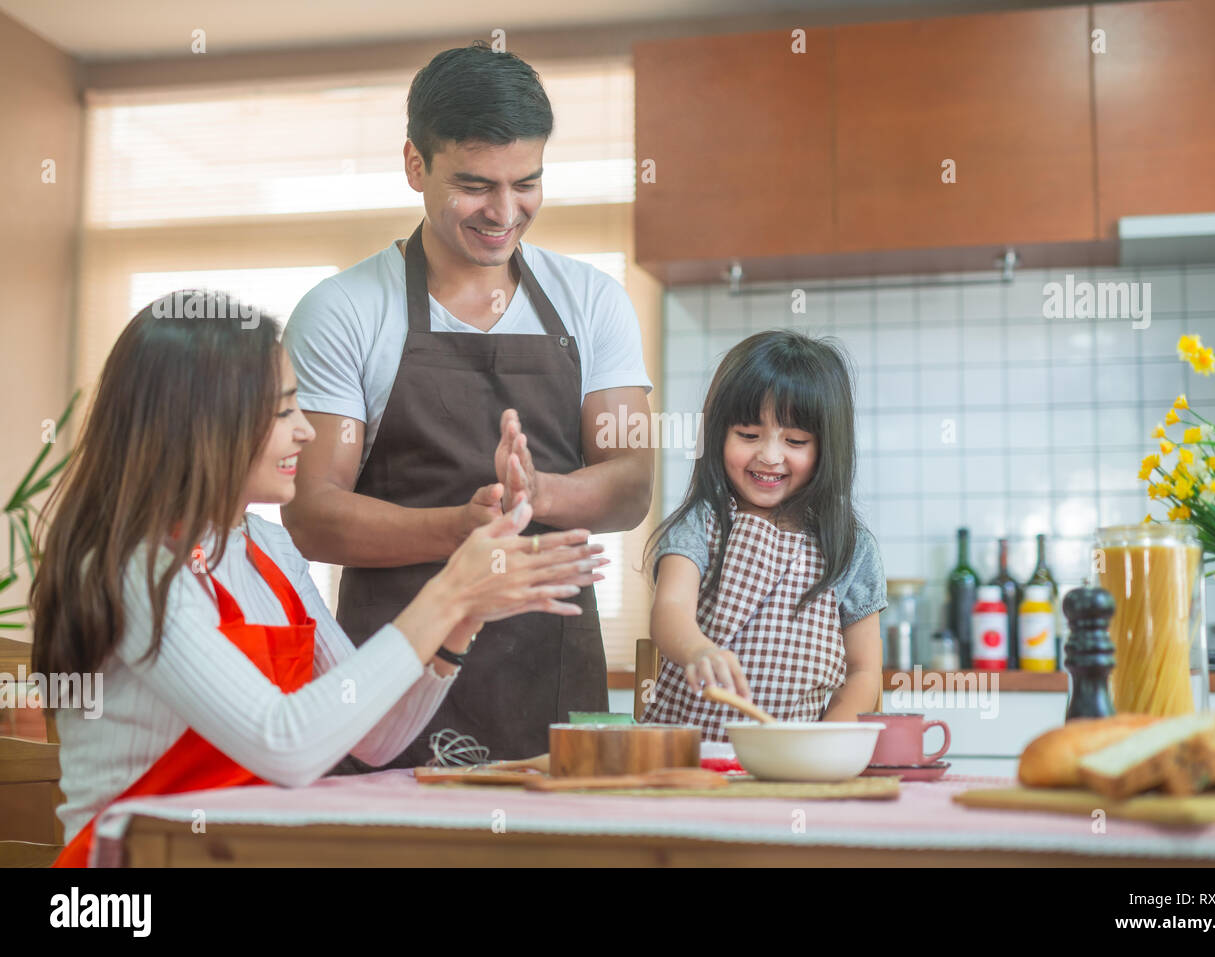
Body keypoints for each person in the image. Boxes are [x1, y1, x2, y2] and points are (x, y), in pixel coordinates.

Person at [31, 291, 605, 867]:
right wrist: (448, 589)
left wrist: (463, 620)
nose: (306, 432)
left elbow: (376, 740)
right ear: (204, 422)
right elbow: (286, 745)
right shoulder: (136, 568)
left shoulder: (269, 548)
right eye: (283, 412)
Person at [280, 43, 653, 764]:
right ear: (415, 165)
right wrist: (462, 529)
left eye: (528, 183)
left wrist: (543, 490)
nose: (505, 213)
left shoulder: (594, 303)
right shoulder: (345, 310)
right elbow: (312, 514)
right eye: (476, 185)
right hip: (391, 679)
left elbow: (631, 484)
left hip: (554, 680)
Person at [640, 331, 886, 742]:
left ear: (827, 448)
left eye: (795, 441)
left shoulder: (849, 546)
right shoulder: (702, 522)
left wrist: (825, 744)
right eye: (749, 435)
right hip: (690, 755)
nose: (769, 456)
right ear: (719, 434)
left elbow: (864, 670)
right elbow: (669, 612)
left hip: (792, 762)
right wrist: (697, 650)